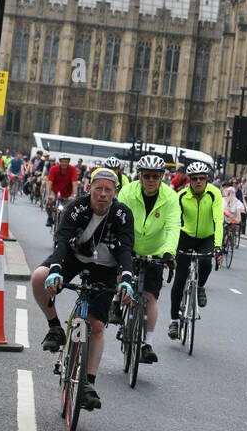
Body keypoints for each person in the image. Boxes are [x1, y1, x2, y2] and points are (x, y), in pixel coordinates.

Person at [31, 168, 136, 410]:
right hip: (75, 258)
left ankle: (88, 383)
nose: (102, 194)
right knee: (39, 277)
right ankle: (55, 328)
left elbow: (125, 250)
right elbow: (62, 240)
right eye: (98, 188)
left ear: (114, 192)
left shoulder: (122, 214)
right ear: (90, 189)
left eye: (108, 190)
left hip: (106, 268)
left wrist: (126, 279)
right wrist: (55, 269)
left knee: (96, 325)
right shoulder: (76, 208)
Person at [118, 153, 180, 364]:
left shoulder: (170, 197)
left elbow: (173, 227)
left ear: (162, 176)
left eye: (155, 176)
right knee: (121, 276)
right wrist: (120, 246)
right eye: (147, 176)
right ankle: (117, 301)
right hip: (130, 244)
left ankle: (147, 344)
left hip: (156, 250)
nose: (151, 180)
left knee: (151, 297)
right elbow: (118, 220)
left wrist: (169, 252)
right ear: (140, 176)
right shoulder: (127, 191)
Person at [167, 162, 223, 336]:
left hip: (207, 236)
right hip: (186, 237)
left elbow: (219, 220)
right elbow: (174, 222)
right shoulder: (181, 196)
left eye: (202, 178)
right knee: (180, 278)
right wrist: (171, 247)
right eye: (195, 179)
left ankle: (200, 287)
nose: (199, 182)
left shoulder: (214, 194)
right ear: (189, 180)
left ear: (207, 179)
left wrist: (218, 246)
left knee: (206, 262)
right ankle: (174, 321)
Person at [46, 155, 79, 227]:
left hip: (67, 193)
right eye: (62, 162)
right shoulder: (53, 169)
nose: (64, 163)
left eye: (66, 162)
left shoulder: (72, 169)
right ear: (59, 162)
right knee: (49, 203)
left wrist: (73, 195)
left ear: (68, 162)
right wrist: (48, 195)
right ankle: (50, 217)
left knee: (69, 208)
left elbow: (75, 184)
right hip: (54, 191)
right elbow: (49, 183)